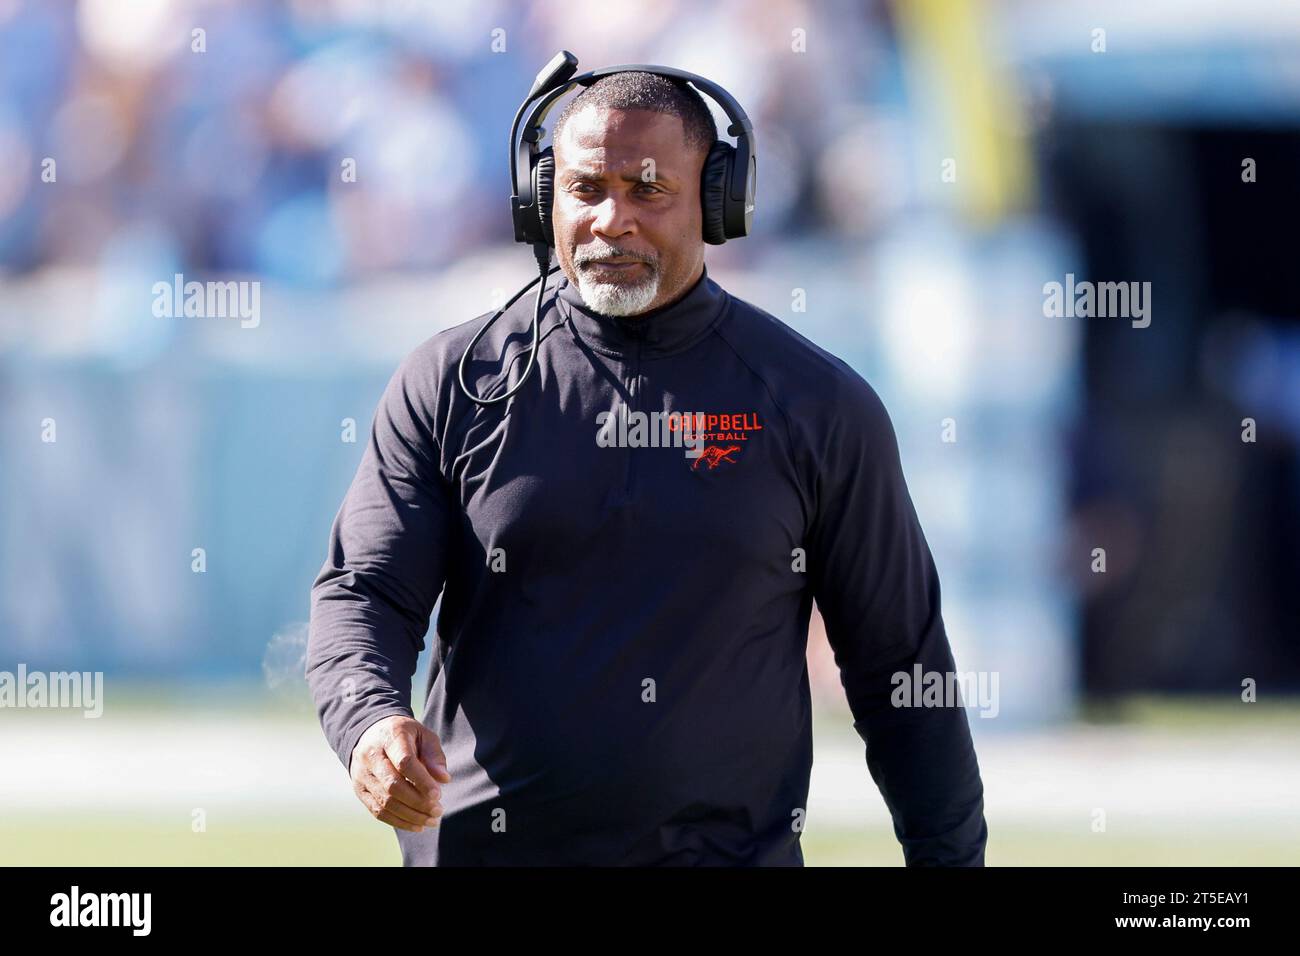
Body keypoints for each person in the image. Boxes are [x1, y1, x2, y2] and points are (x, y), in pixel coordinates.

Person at [306, 68, 987, 866]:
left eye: (648, 189)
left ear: (719, 201)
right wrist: (370, 723)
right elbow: (365, 592)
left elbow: (901, 670)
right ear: (541, 198)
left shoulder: (817, 405)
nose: (611, 219)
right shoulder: (455, 381)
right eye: (585, 187)